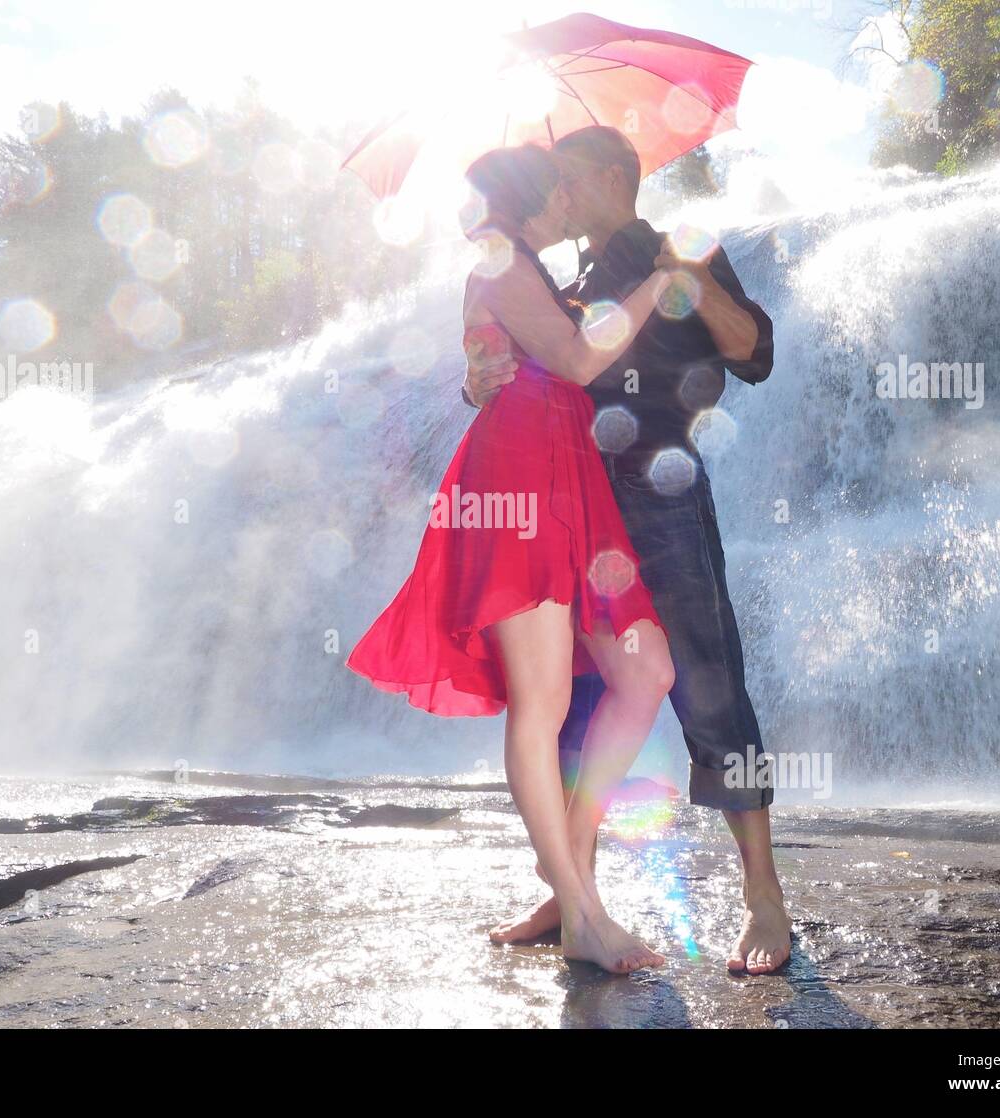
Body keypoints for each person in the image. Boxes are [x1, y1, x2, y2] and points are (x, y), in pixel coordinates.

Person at [348, 143, 708, 974]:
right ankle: (582, 914)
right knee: (541, 703)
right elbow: (580, 361)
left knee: (644, 670)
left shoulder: (515, 269)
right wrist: (664, 280)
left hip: (565, 472)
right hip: (518, 478)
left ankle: (571, 861)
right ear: (533, 200)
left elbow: (505, 366)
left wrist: (483, 375)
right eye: (560, 191)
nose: (570, 202)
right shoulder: (504, 263)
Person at [464, 126, 793, 976]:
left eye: (570, 181)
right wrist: (477, 377)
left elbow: (752, 350)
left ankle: (764, 893)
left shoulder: (679, 247)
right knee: (577, 701)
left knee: (709, 682)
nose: (561, 198)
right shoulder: (557, 277)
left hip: (660, 490)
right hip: (569, 502)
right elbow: (527, 366)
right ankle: (575, 893)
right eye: (553, 187)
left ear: (615, 176)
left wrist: (688, 282)